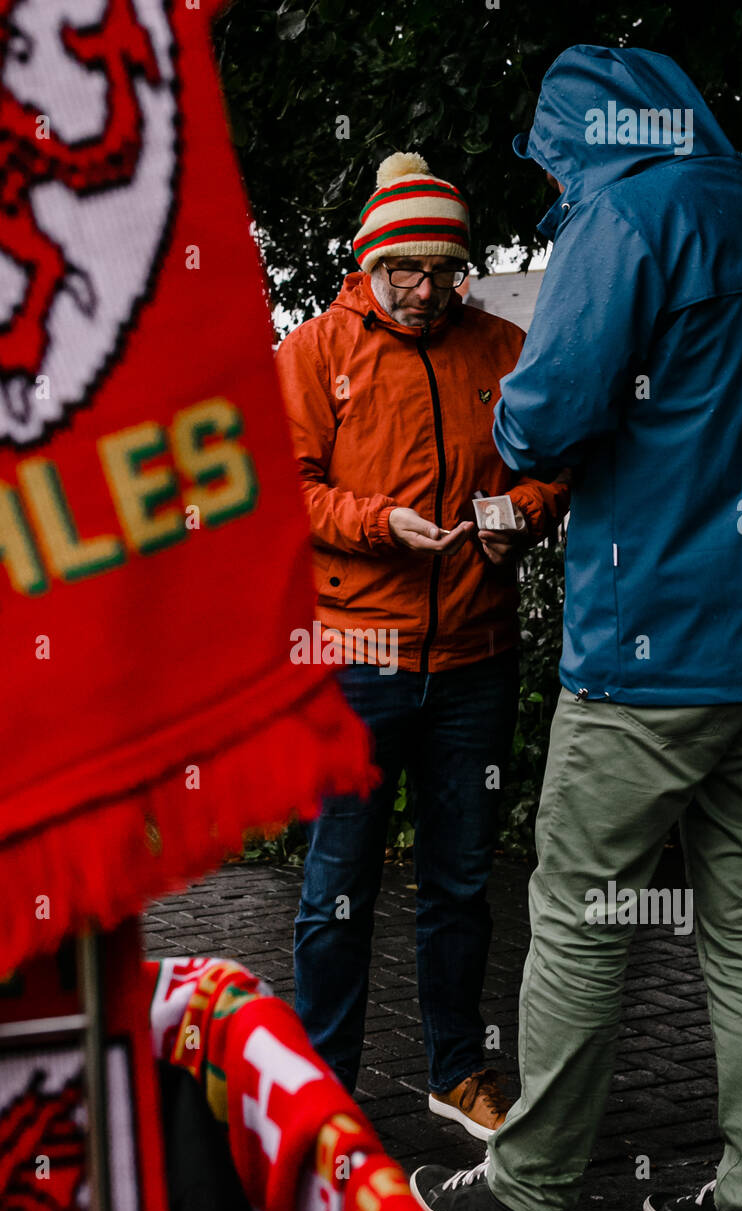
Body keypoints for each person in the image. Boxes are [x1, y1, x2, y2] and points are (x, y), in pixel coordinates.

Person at [411, 46, 742, 1211]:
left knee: (582, 916)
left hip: (656, 650)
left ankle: (529, 1192)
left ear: (582, 132)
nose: (552, 175)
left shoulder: (624, 216)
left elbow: (543, 417)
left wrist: (510, 414)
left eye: (553, 151)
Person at [275, 151, 570, 1139]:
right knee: (336, 887)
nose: (428, 289)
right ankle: (325, 1090)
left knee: (459, 882)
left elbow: (560, 460)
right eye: (407, 268)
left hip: (476, 663)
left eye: (446, 269)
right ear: (370, 261)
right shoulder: (314, 353)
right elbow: (291, 488)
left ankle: (456, 1072)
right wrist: (375, 523)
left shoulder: (505, 347)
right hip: (358, 662)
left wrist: (517, 516)